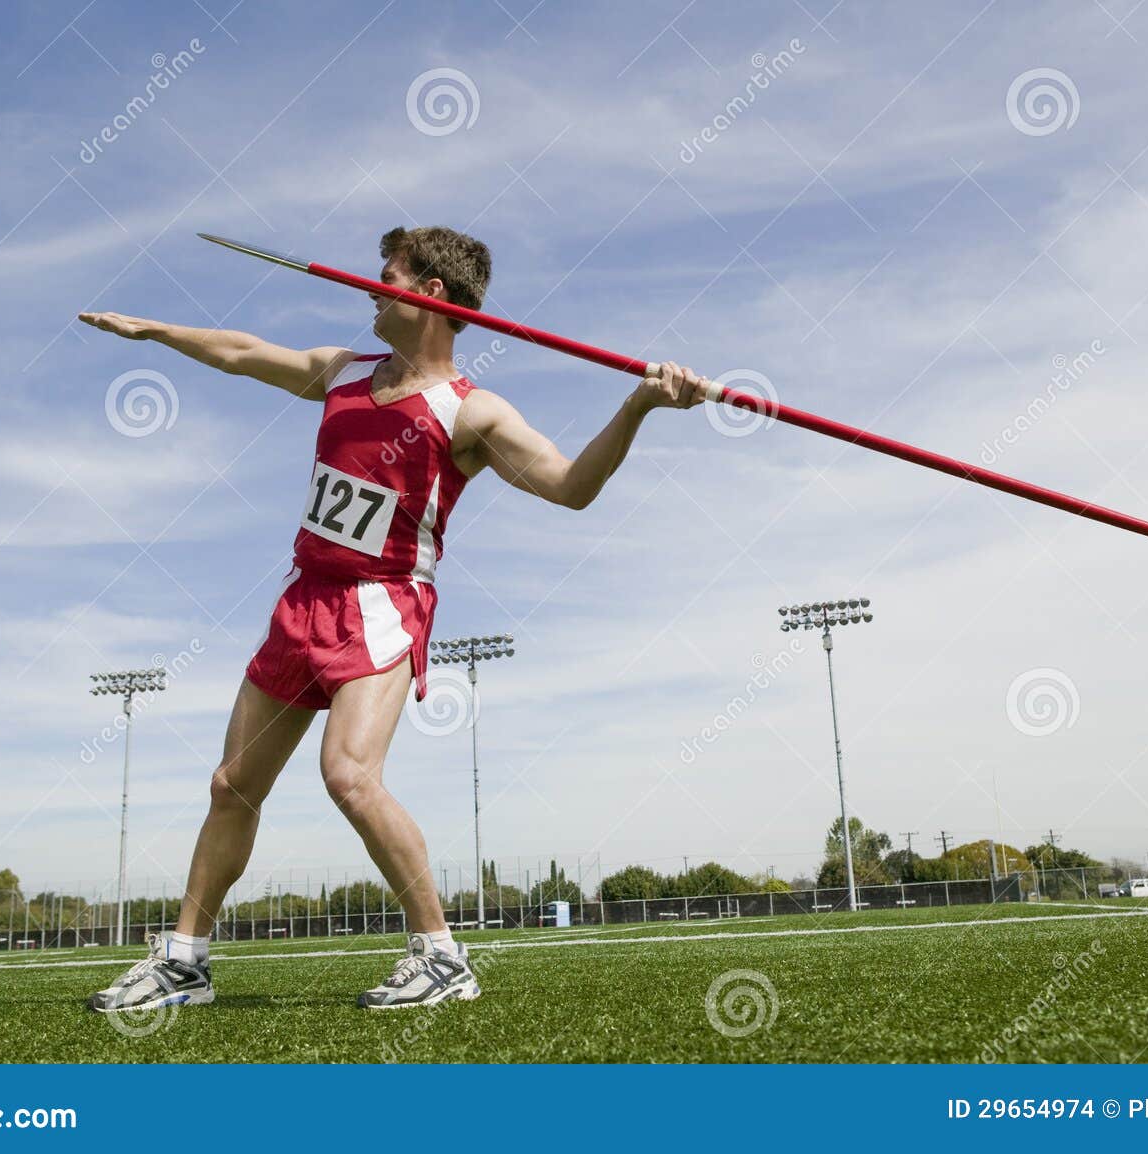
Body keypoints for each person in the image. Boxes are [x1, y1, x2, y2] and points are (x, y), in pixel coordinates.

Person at [78, 226, 709, 1011]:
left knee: (348, 774)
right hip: (303, 597)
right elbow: (243, 352)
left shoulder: (471, 413)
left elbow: (572, 485)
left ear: (430, 296)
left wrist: (640, 402)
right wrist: (156, 332)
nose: (369, 290)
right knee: (232, 786)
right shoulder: (344, 373)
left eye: (386, 277)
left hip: (382, 604)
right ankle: (184, 962)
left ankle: (441, 957)